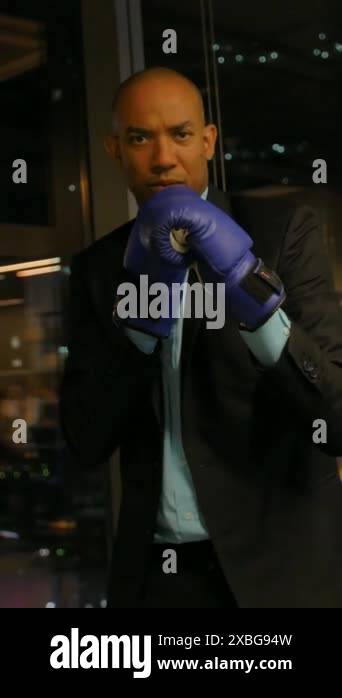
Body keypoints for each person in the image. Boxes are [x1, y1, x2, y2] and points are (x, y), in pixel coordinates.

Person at [59, 66, 342, 608]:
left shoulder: (283, 232)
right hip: (161, 582)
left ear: (209, 140)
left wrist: (252, 294)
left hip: (282, 571)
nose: (163, 158)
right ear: (115, 149)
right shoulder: (100, 270)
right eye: (141, 138)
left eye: (181, 134)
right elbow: (85, 438)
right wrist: (139, 328)